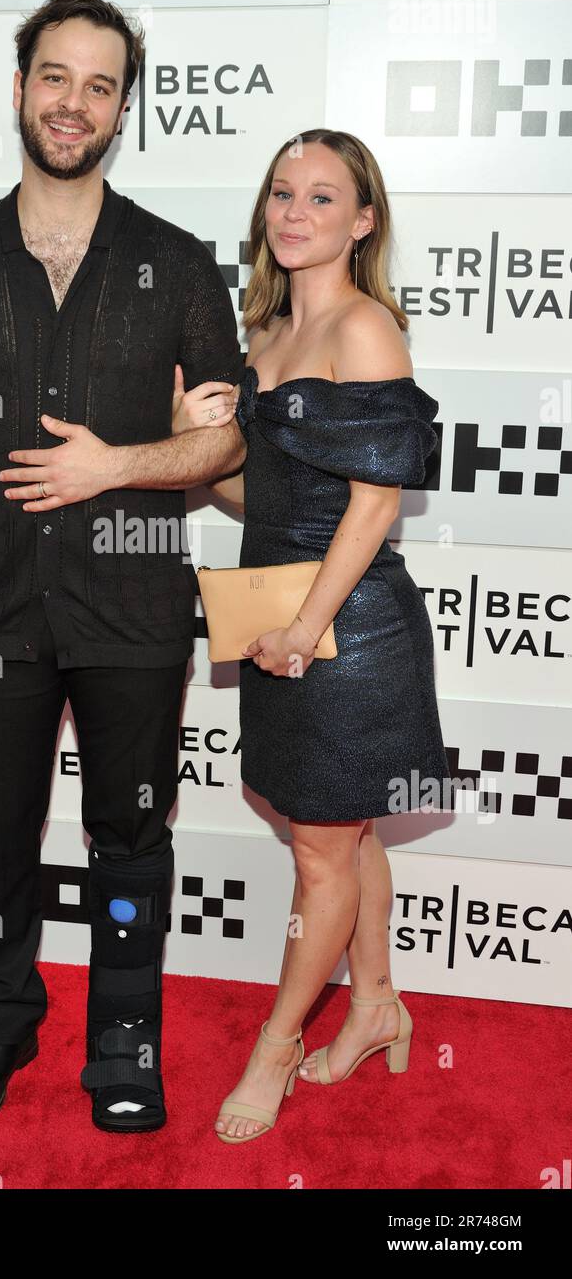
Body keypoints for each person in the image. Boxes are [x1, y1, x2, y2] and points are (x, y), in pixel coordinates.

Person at [0, 0, 246, 1134]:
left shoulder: (177, 262)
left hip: (134, 603)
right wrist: (17, 508)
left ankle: (124, 1043)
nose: (73, 102)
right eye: (56, 77)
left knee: (129, 832)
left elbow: (225, 438)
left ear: (123, 108)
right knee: (0, 830)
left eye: (100, 84)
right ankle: (0, 1024)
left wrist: (110, 472)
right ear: (18, 89)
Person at [174, 128, 450, 1142]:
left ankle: (278, 1042)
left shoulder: (363, 326)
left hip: (349, 625)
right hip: (285, 613)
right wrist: (200, 439)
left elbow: (374, 506)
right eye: (282, 194)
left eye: (322, 198)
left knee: (322, 852)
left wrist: (304, 623)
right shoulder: (264, 335)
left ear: (363, 220)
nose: (294, 213)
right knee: (339, 828)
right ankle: (374, 1000)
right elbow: (267, 496)